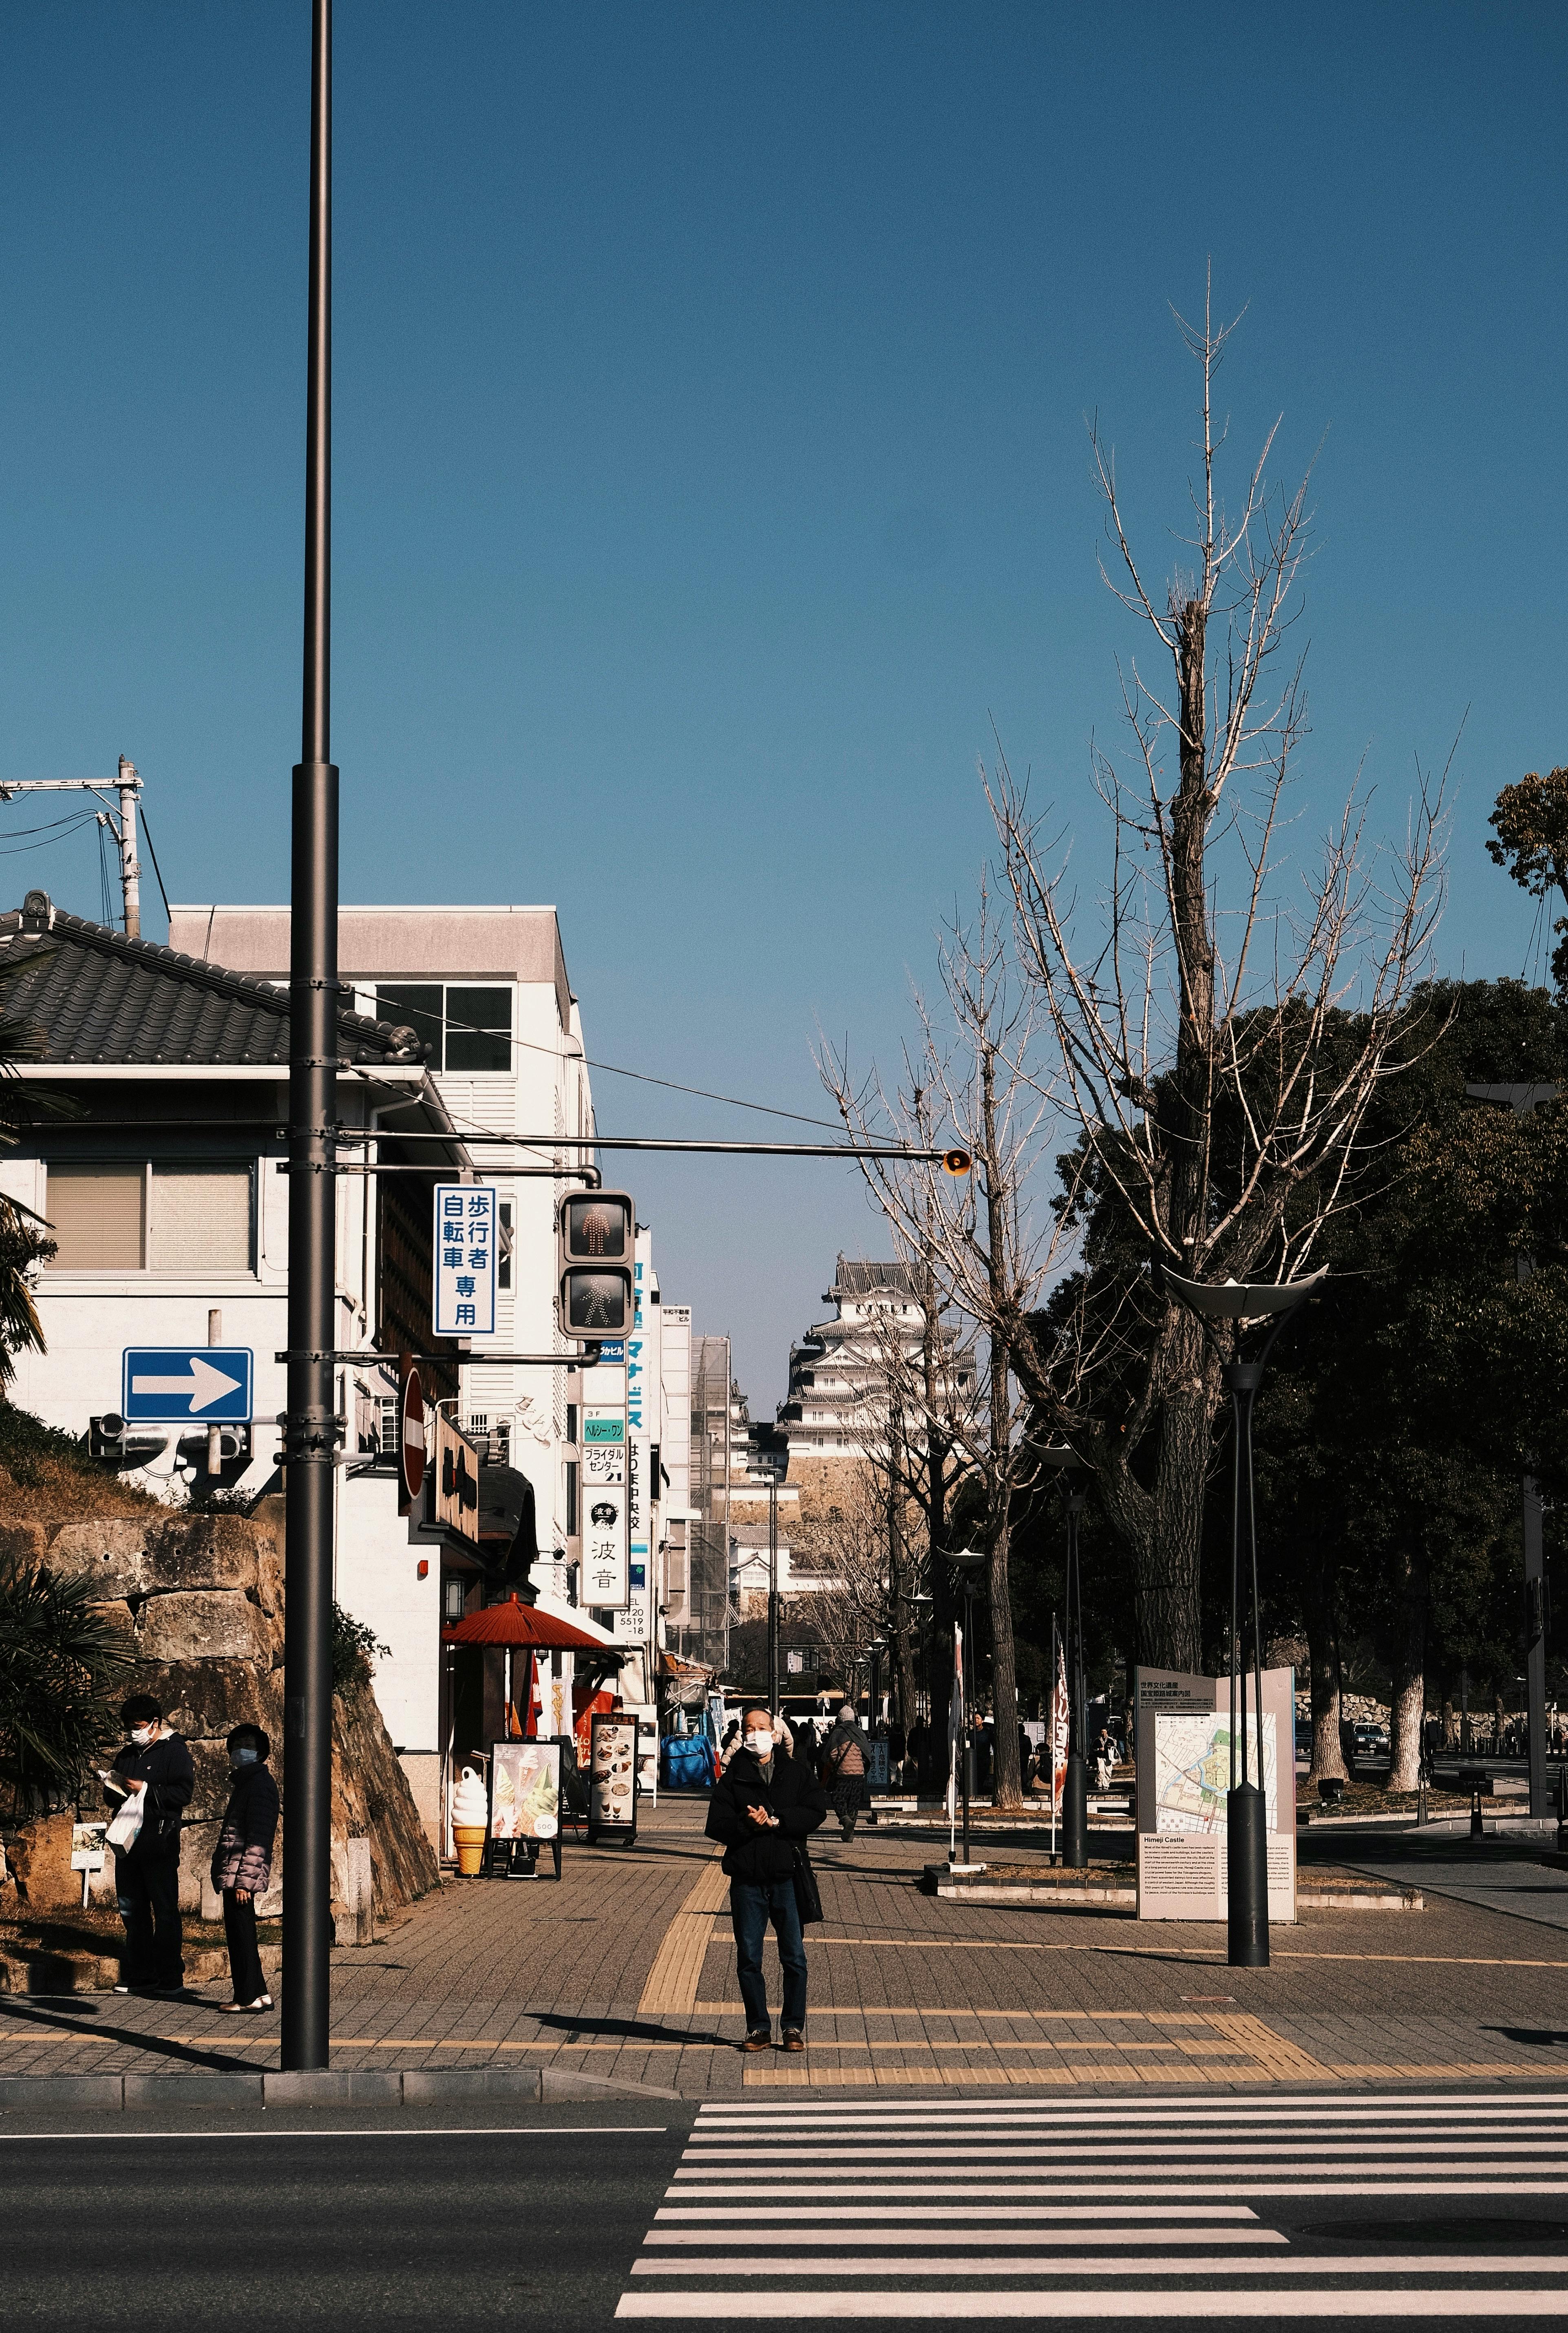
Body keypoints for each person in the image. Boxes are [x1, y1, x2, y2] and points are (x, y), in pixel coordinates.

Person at [705, 1703, 827, 2053]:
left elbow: (816, 1810)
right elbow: (715, 1825)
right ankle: (758, 2027)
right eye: (748, 1728)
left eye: (761, 1727)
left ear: (774, 1733)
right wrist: (748, 1823)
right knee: (749, 1957)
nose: (754, 1733)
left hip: (787, 1876)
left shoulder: (796, 1772)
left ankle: (793, 2027)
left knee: (795, 1957)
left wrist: (778, 1820)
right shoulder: (734, 1776)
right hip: (747, 1879)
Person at [107, 1694, 194, 1995]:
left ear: (155, 1723)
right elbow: (112, 1797)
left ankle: (171, 1975)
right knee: (132, 1910)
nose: (134, 1732)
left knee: (165, 1909)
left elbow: (183, 1794)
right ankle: (141, 1973)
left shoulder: (175, 1751)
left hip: (160, 1841)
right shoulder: (127, 1754)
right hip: (128, 1845)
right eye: (129, 1727)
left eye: (139, 1726)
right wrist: (116, 1786)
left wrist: (145, 1788)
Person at [210, 1723, 280, 2013]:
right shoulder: (249, 1782)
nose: (241, 1750)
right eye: (237, 1744)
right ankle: (259, 1992)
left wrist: (243, 1882)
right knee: (244, 1933)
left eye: (248, 1744)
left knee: (240, 1935)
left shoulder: (258, 1785)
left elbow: (259, 1838)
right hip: (237, 1871)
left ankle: (247, 1996)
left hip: (240, 1874)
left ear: (261, 1752)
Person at [818, 1702, 867, 1839]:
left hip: (843, 1774)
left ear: (839, 1720)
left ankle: (846, 1820)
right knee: (854, 1803)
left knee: (838, 1799)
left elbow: (832, 1754)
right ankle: (850, 1834)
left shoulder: (838, 1733)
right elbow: (867, 1753)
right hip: (859, 1774)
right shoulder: (860, 1733)